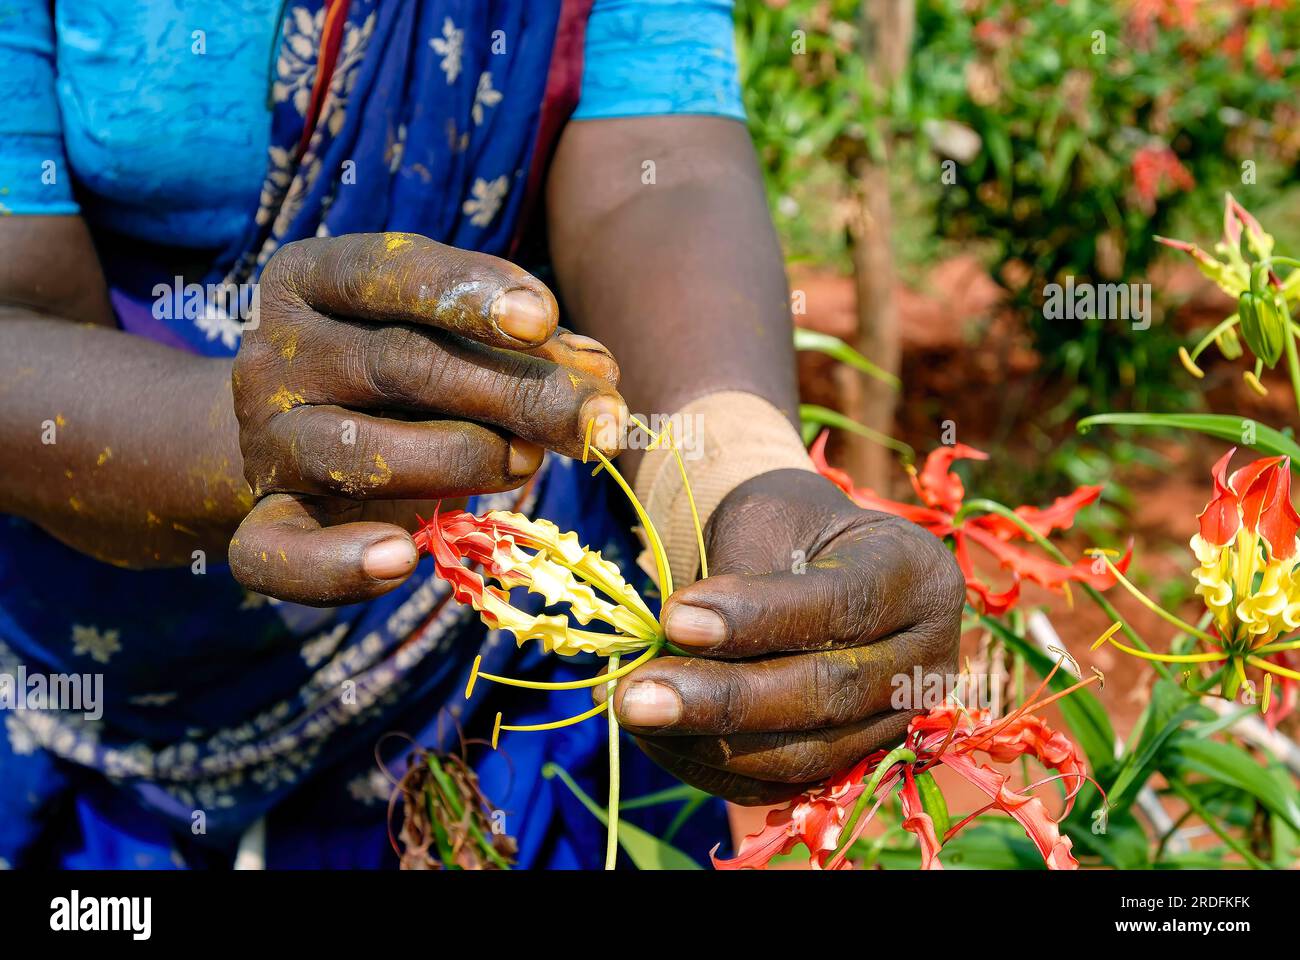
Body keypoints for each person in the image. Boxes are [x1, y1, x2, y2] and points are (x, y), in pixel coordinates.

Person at [0, 0, 963, 869]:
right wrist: (241, 436)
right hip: (95, 679)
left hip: (503, 659)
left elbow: (656, 156)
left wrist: (730, 474)